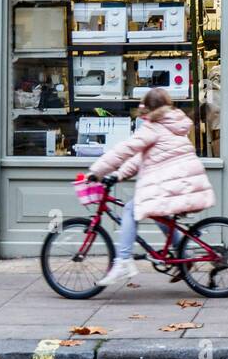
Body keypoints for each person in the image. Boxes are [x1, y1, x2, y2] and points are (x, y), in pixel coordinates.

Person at [88, 87, 215, 287]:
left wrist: (96, 171)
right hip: (182, 182)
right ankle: (185, 254)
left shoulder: (153, 127)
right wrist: (118, 174)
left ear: (147, 108)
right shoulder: (172, 123)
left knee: (132, 209)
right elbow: (142, 157)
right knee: (159, 212)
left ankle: (122, 262)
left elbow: (125, 150)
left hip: (173, 183)